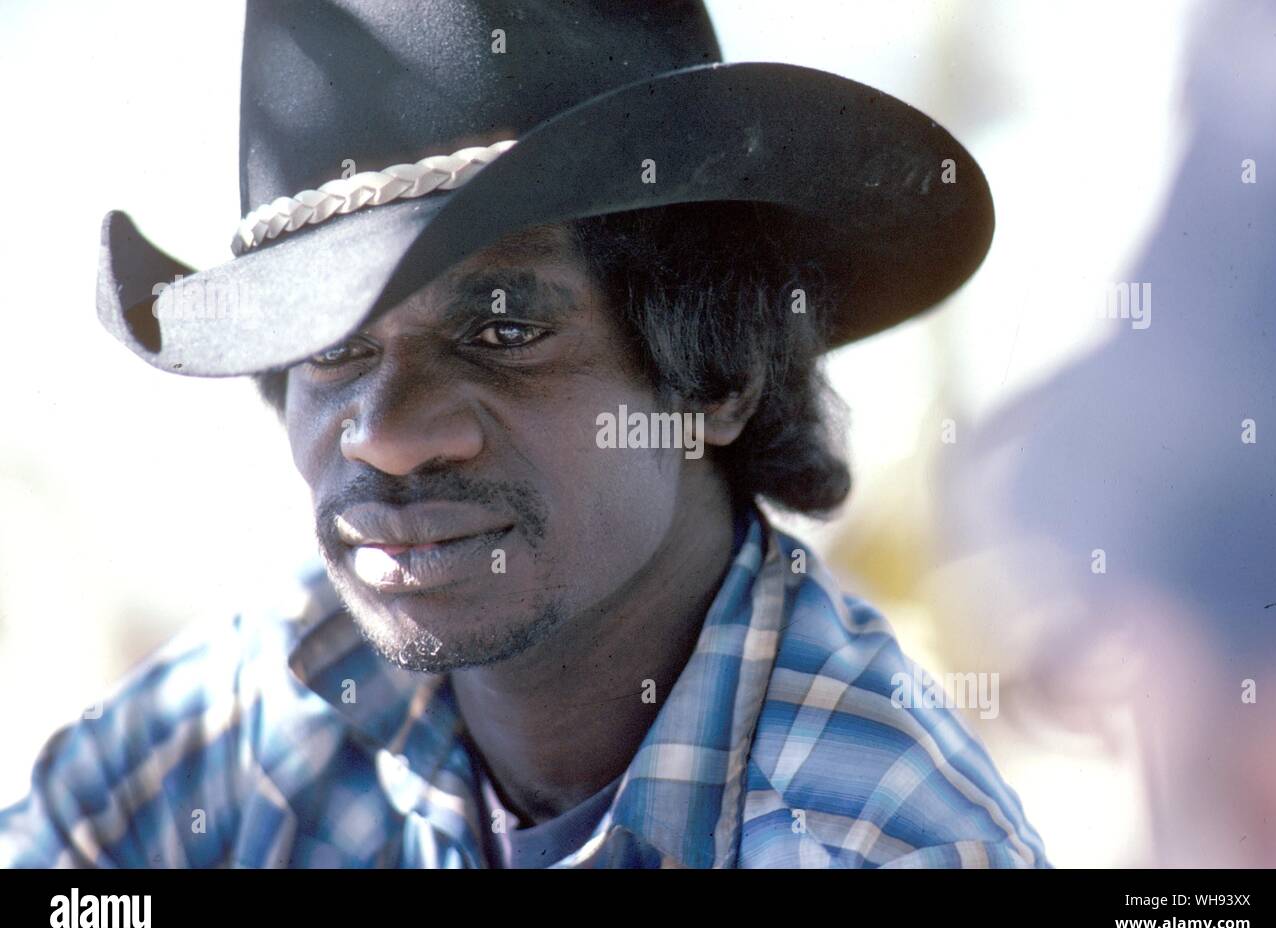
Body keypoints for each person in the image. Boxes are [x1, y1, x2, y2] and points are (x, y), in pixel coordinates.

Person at [0, 0, 1046, 868]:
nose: (389, 438)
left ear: (717, 374)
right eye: (329, 349)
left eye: (503, 329)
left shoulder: (875, 841)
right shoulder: (279, 693)